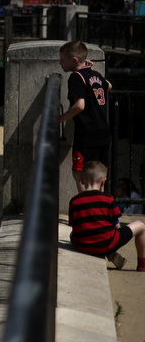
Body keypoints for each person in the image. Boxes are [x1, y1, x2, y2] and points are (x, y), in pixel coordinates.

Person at [70, 161, 145, 271]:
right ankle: (142, 264)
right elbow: (116, 225)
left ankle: (108, 252)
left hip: (82, 245)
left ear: (81, 180)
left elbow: (73, 224)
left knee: (73, 234)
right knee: (141, 226)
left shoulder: (74, 201)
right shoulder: (108, 199)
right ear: (103, 182)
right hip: (107, 243)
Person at [58, 41, 112, 175]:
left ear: (74, 60)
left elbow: (80, 106)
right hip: (103, 131)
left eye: (63, 60)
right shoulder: (96, 75)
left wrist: (60, 118)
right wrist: (91, 71)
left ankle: (85, 196)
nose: (60, 63)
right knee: (99, 175)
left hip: (86, 134)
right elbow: (109, 86)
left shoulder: (76, 77)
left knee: (80, 173)